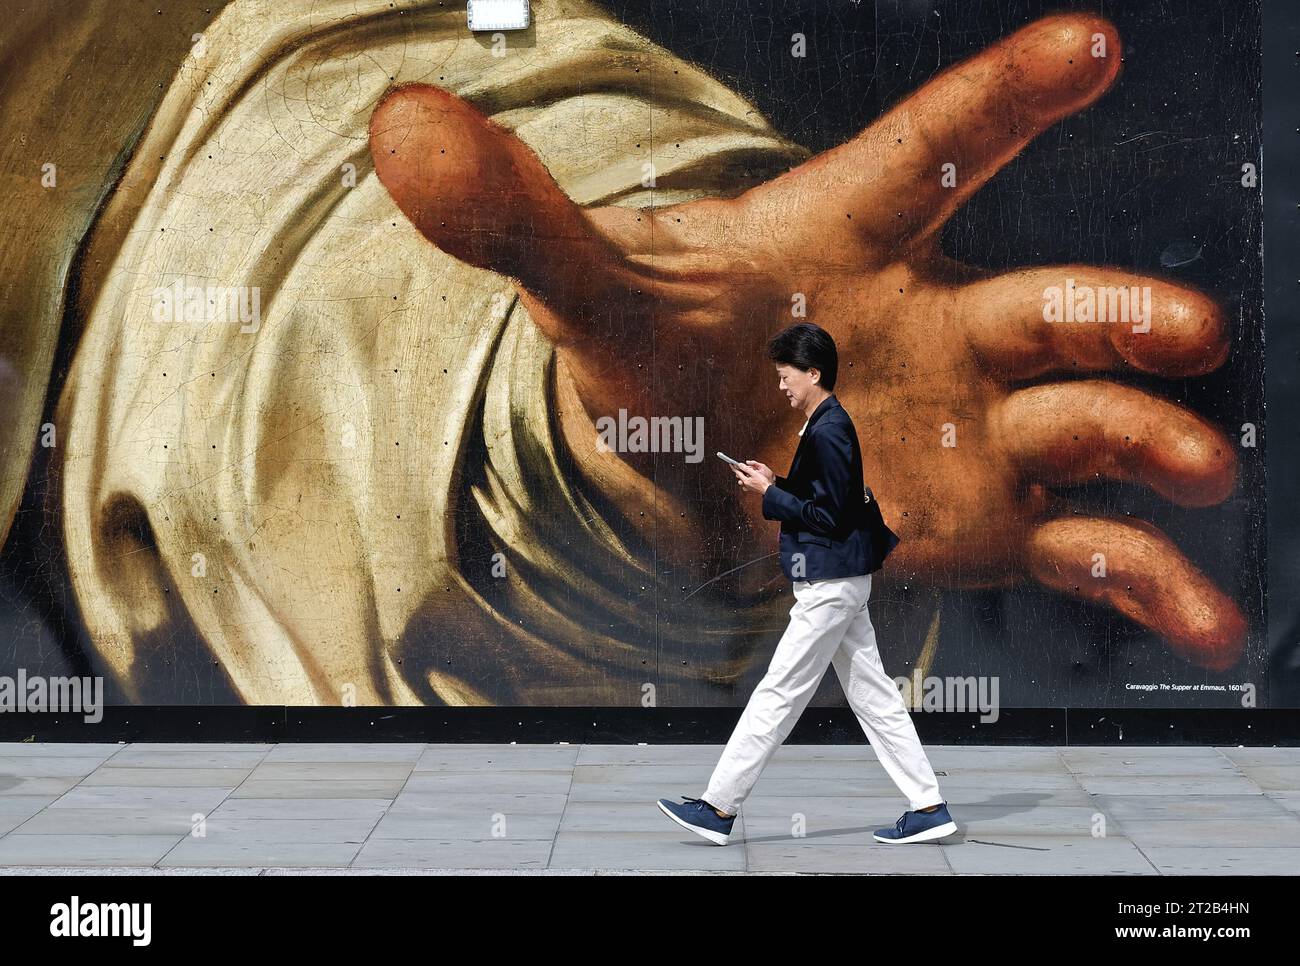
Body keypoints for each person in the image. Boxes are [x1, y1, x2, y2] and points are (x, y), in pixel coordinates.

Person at [657, 323, 958, 845]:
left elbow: (833, 517)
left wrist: (771, 498)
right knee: (874, 697)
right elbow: (827, 499)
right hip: (840, 582)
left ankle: (719, 808)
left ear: (813, 373)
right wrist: (776, 483)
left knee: (778, 692)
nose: (781, 386)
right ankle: (929, 807)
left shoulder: (830, 427)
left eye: (786, 375)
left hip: (830, 586)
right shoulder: (825, 423)